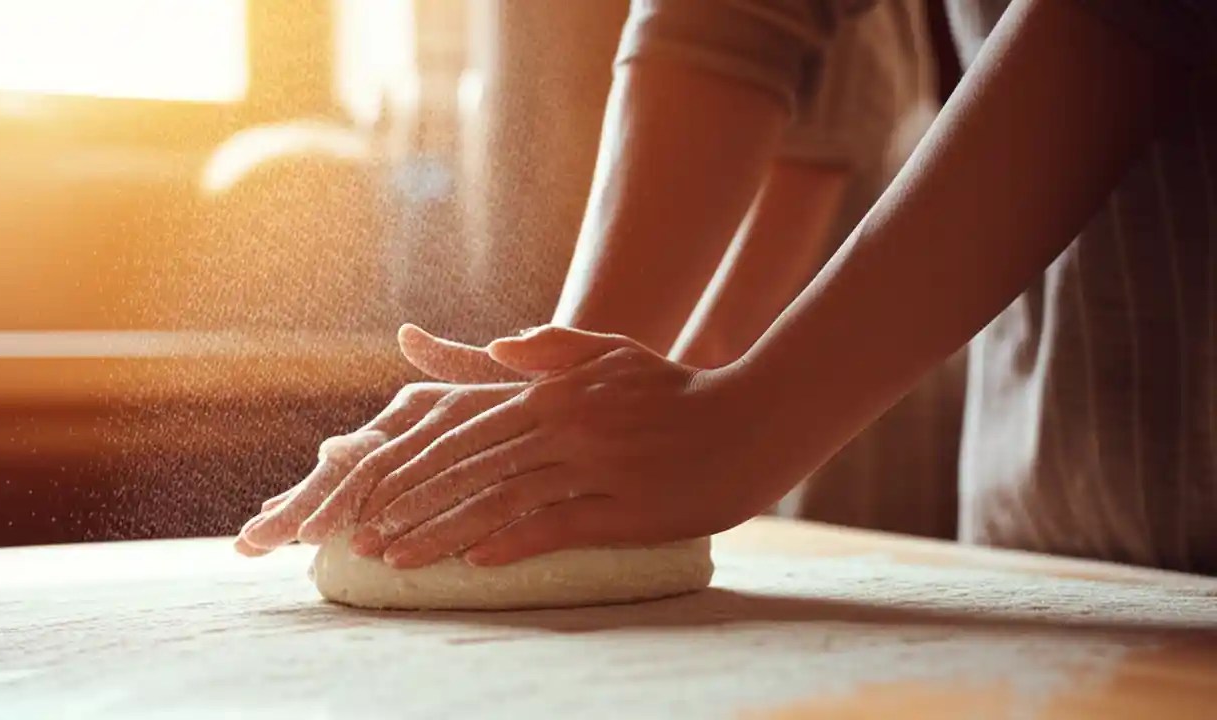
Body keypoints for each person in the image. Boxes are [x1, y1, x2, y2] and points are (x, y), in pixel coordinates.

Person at [239, 0, 1217, 576]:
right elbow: (732, 16)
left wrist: (747, 419)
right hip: (1044, 519)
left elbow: (1121, 20)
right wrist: (557, 394)